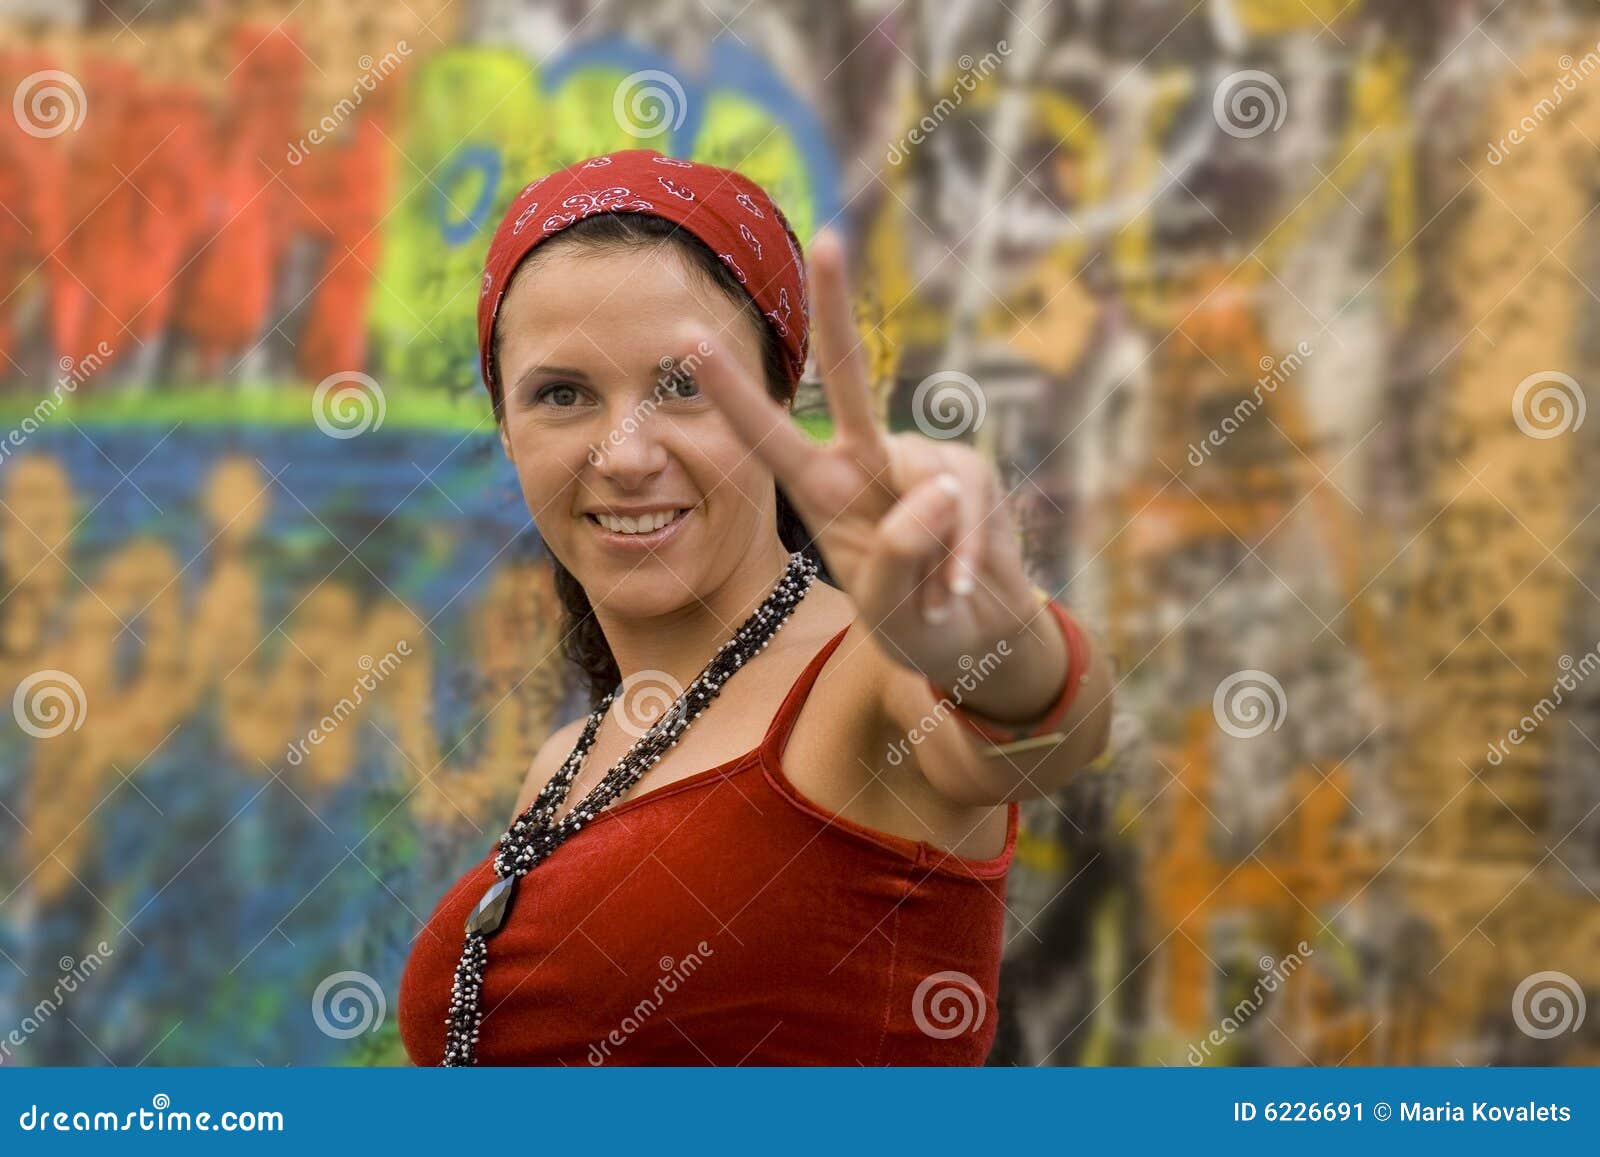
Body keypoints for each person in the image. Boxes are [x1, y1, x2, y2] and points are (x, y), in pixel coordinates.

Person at [397, 148, 1112, 1066]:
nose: (625, 455)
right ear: (506, 425)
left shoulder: (864, 682)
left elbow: (1036, 738)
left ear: (779, 398)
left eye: (683, 387)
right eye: (562, 393)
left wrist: (999, 644)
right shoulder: (564, 765)